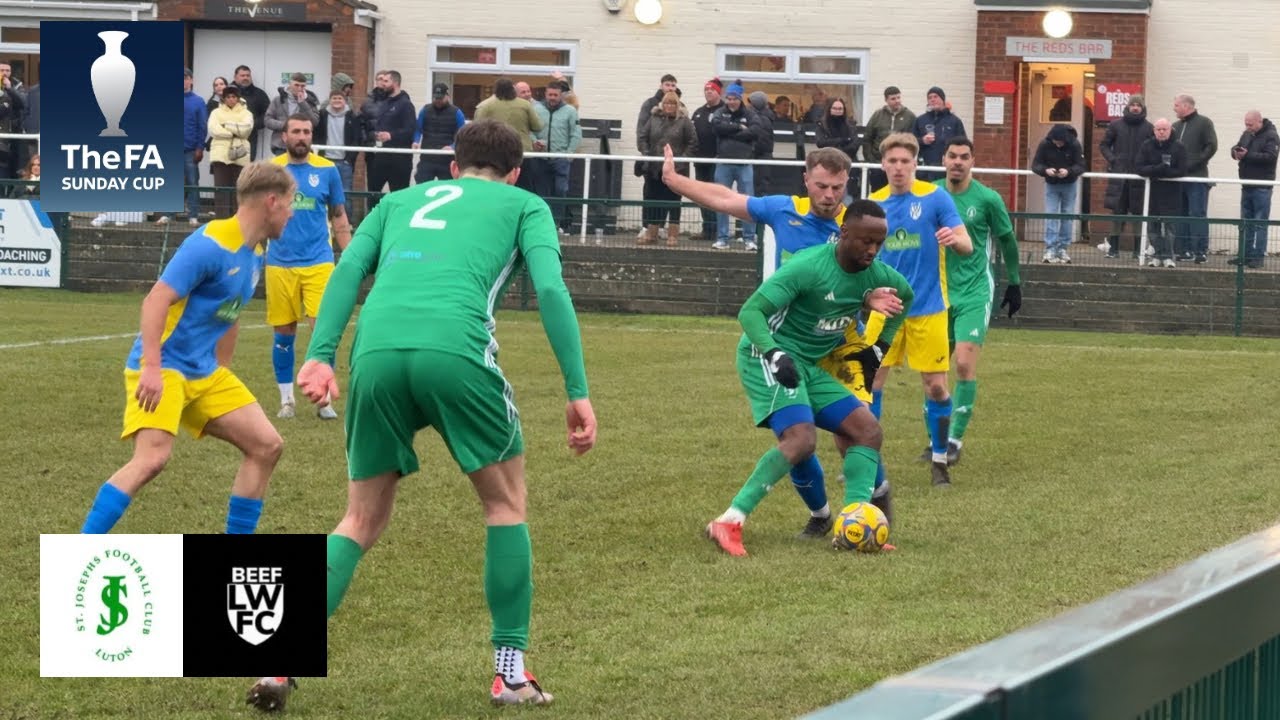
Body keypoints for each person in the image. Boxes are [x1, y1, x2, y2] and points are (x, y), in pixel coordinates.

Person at [245, 119, 597, 711]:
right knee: (505, 505)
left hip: (376, 353)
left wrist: (321, 356)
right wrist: (577, 389)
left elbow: (350, 270)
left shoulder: (400, 200)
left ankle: (283, 661)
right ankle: (509, 674)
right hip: (455, 349)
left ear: (454, 167)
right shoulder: (525, 203)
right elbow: (553, 291)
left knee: (357, 520)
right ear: (514, 172)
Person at [662, 144, 896, 539]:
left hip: (837, 345)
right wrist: (674, 180)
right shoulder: (783, 209)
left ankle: (871, 506)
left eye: (837, 188)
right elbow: (725, 198)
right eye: (821, 186)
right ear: (806, 180)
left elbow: (874, 281)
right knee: (797, 435)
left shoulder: (858, 227)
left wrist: (871, 299)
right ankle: (822, 514)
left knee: (856, 430)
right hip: (782, 340)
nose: (829, 195)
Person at [78, 162, 293, 535]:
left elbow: (230, 311)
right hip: (166, 368)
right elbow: (156, 300)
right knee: (152, 460)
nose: (292, 213)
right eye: (291, 203)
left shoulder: (255, 251)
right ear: (272, 202)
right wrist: (150, 368)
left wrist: (221, 367)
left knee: (267, 446)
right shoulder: (209, 244)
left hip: (204, 372)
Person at [701, 198, 913, 557]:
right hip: (764, 356)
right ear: (844, 232)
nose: (873, 250)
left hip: (808, 365)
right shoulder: (808, 267)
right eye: (866, 241)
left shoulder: (876, 276)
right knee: (802, 439)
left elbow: (904, 297)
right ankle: (729, 521)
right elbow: (751, 311)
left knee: (867, 431)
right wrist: (774, 353)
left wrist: (879, 347)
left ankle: (853, 522)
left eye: (880, 243)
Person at [865, 133, 973, 487]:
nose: (898, 168)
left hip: (929, 308)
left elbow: (967, 245)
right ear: (883, 165)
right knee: (870, 384)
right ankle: (866, 458)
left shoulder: (935, 197)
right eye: (892, 162)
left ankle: (939, 459)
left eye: (905, 162)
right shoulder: (873, 204)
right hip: (886, 311)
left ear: (915, 164)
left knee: (936, 387)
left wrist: (953, 239)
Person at [929, 137, 1021, 464]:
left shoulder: (987, 199)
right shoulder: (930, 194)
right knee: (935, 372)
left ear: (972, 161)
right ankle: (938, 439)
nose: (957, 162)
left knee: (964, 363)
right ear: (943, 159)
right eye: (952, 156)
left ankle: (954, 440)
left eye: (964, 157)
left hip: (975, 291)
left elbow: (1007, 240)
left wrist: (1015, 282)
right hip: (938, 293)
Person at [268, 114, 352, 419]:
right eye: (296, 131)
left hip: (319, 262)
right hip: (279, 263)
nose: (302, 136)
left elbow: (339, 216)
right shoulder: (271, 170)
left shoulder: (327, 170)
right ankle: (286, 400)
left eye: (306, 131)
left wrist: (352, 258)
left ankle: (324, 399)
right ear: (285, 137)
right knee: (283, 334)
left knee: (322, 331)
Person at [637, 91, 696, 246]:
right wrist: (647, 152)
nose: (669, 106)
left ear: (677, 105)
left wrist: (681, 160)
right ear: (662, 104)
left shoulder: (684, 121)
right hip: (654, 168)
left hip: (677, 169)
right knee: (654, 199)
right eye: (667, 103)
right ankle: (652, 233)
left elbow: (693, 142)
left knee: (674, 201)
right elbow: (643, 137)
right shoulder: (654, 118)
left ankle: (673, 235)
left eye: (672, 103)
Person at [1134, 118, 1188, 268]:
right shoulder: (1147, 146)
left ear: (1170, 130)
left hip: (1172, 194)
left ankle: (1169, 257)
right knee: (1153, 227)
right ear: (1154, 130)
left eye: (1165, 129)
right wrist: (1159, 169)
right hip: (1153, 194)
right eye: (1158, 129)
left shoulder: (1179, 147)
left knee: (1170, 228)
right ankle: (1157, 255)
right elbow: (1139, 167)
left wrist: (1161, 172)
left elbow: (1182, 170)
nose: (1162, 132)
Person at [1031, 124, 1086, 263]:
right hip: (1051, 184)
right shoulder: (1045, 144)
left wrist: (1069, 171)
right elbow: (1036, 165)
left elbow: (1081, 165)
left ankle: (1062, 248)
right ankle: (1050, 248)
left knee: (1067, 216)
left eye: (1060, 142)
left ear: (1066, 139)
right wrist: (1045, 170)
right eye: (1055, 141)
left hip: (1069, 184)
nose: (1058, 144)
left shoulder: (1074, 144)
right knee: (1051, 215)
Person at [1230, 110, 1279, 268]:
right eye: (1246, 124)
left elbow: (1270, 157)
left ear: (1259, 121)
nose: (1247, 127)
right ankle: (1244, 255)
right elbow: (1237, 147)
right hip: (1247, 184)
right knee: (1246, 222)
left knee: (1259, 223)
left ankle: (1257, 257)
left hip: (1262, 186)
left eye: (1250, 124)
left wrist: (1248, 155)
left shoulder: (1271, 136)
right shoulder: (1247, 133)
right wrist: (1235, 153)